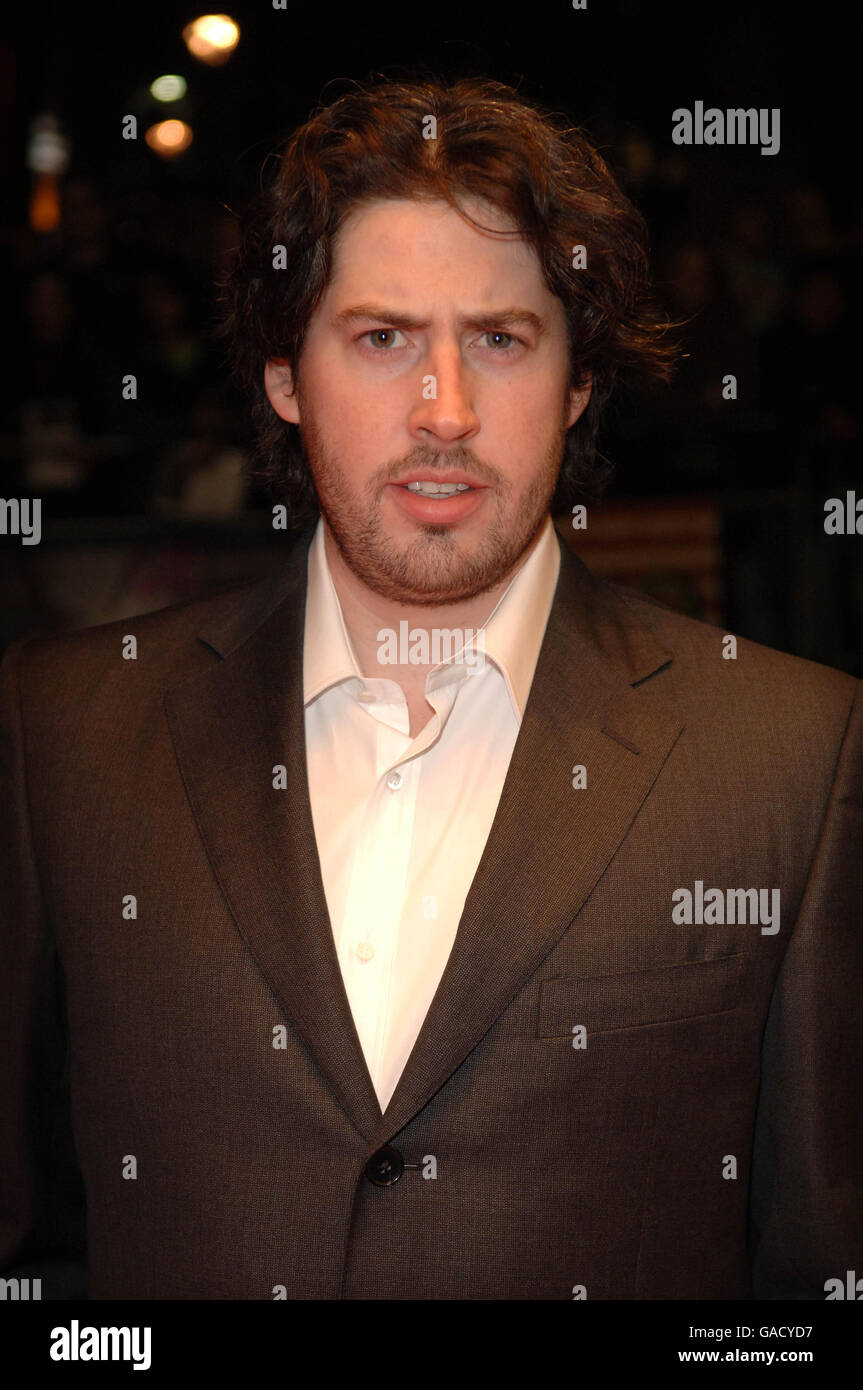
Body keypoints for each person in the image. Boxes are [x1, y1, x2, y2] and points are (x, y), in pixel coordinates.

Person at [1, 76, 860, 1301]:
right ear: (284, 375)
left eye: (500, 340)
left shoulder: (793, 756)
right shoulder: (64, 734)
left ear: (577, 384)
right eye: (381, 336)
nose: (442, 412)